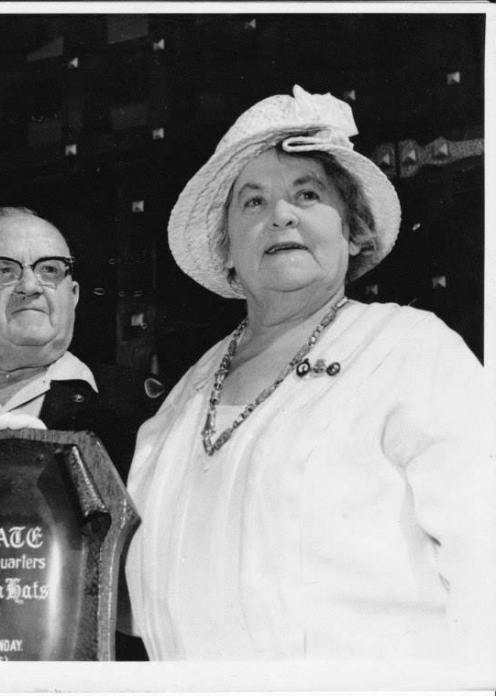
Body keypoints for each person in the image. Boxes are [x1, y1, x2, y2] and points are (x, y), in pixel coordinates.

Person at [124, 85, 496, 663]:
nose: (281, 214)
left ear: (352, 229)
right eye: (253, 202)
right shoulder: (185, 395)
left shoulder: (410, 352)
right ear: (227, 248)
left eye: (307, 193)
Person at [0, 206, 165, 485]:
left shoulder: (142, 410)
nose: (29, 286)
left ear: (73, 296)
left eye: (50, 269)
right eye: (4, 270)